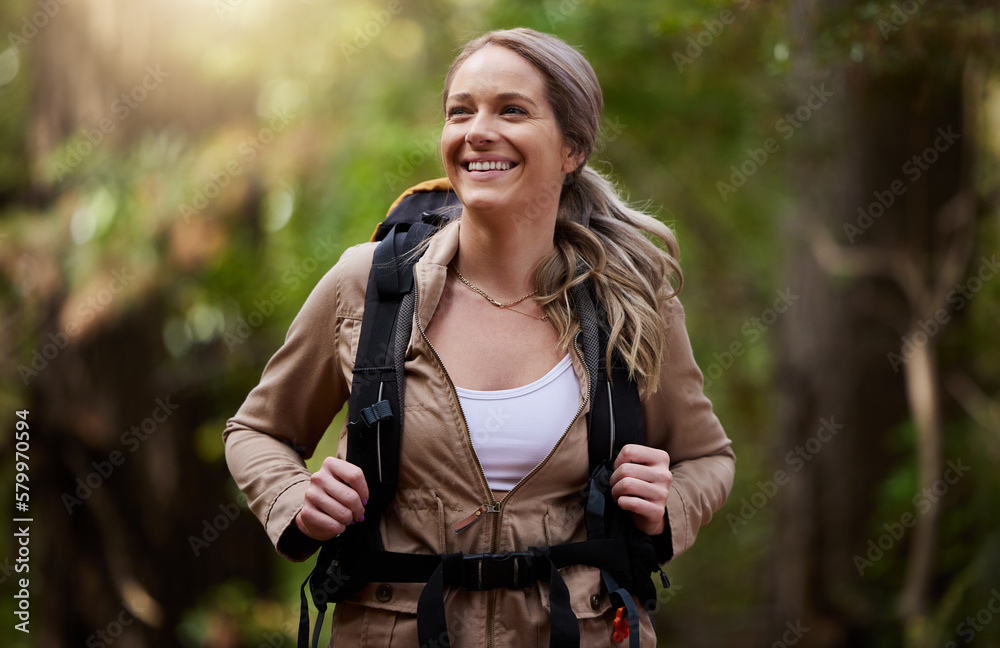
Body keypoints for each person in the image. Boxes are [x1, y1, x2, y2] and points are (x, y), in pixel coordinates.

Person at [224, 27, 735, 647]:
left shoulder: (630, 299)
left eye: (512, 110)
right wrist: (297, 499)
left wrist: (667, 506)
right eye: (459, 111)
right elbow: (257, 431)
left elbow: (707, 459)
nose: (477, 131)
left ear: (572, 148)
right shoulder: (368, 287)